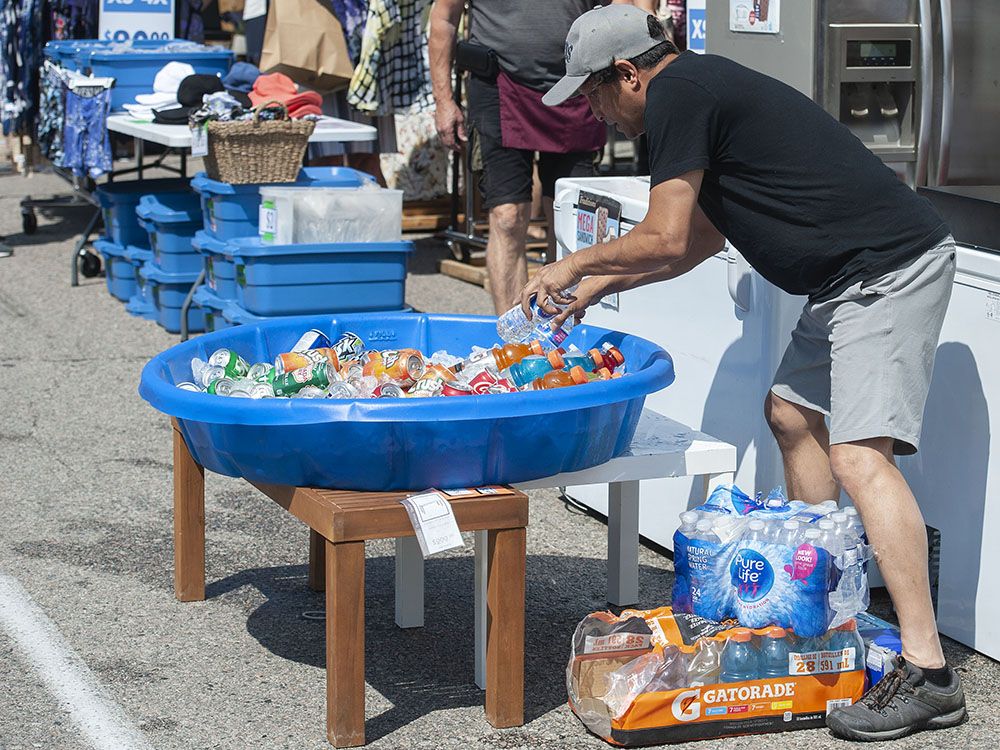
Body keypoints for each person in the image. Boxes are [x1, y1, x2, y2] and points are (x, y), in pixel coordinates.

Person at [523, 4, 965, 741]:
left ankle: (930, 673)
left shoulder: (680, 97)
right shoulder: (694, 90)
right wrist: (605, 285)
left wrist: (576, 260)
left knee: (861, 453)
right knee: (791, 414)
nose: (595, 112)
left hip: (887, 271)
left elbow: (663, 234)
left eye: (595, 93)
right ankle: (817, 607)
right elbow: (694, 242)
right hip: (844, 279)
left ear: (628, 73)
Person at [429, 0, 607, 314]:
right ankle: (515, 339)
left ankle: (563, 333)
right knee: (507, 217)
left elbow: (624, 7)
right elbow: (444, 17)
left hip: (578, 84)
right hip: (498, 83)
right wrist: (444, 101)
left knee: (569, 222)